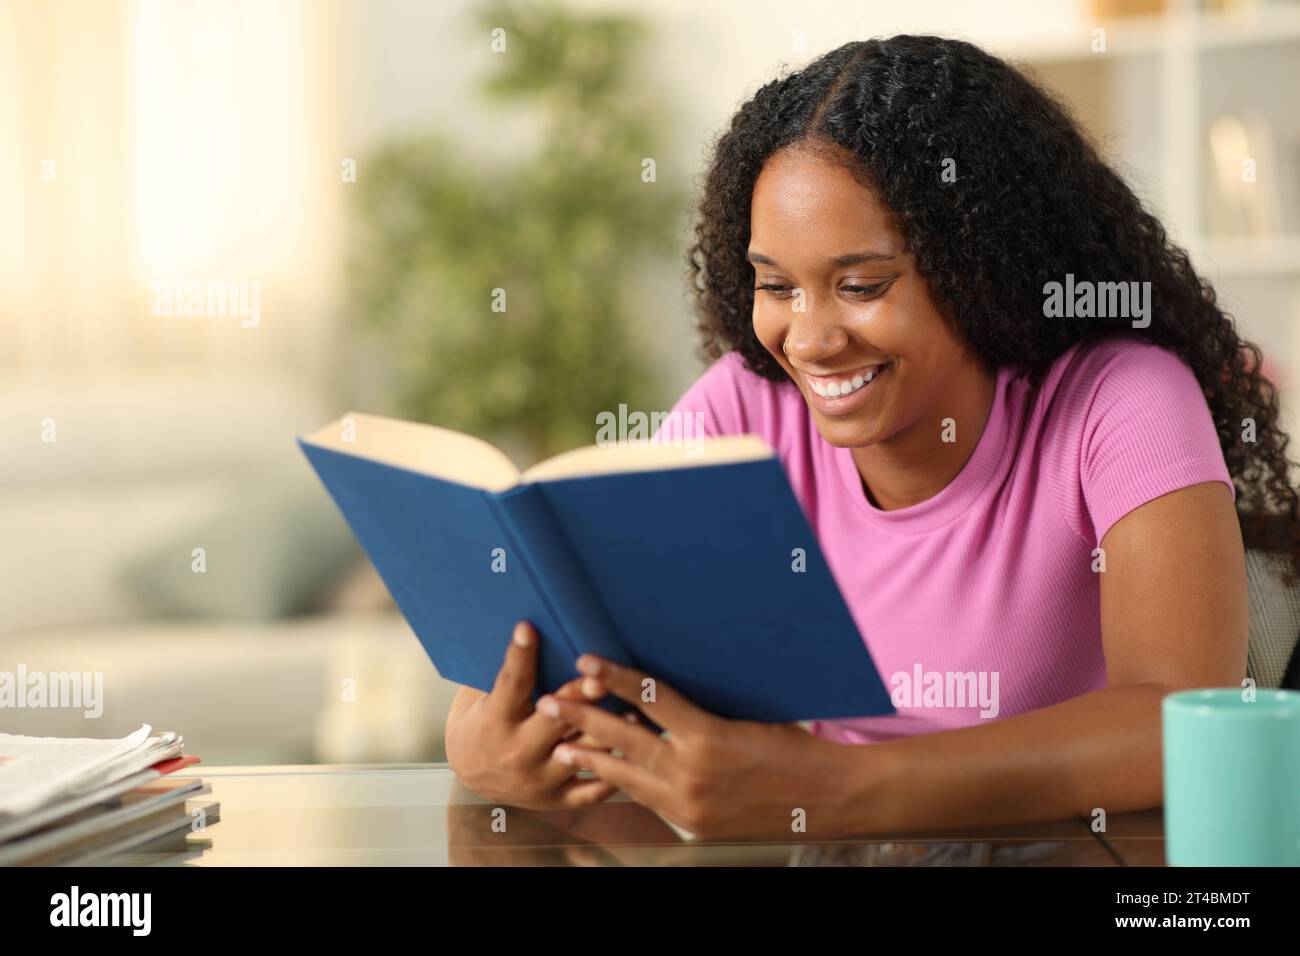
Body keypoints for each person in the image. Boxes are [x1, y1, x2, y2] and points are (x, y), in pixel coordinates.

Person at [445, 35, 1299, 839]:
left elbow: (1178, 721)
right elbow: (577, 644)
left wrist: (831, 788)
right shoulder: (743, 410)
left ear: (980, 267)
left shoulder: (1120, 400)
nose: (811, 339)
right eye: (776, 285)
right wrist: (481, 746)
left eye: (861, 285)